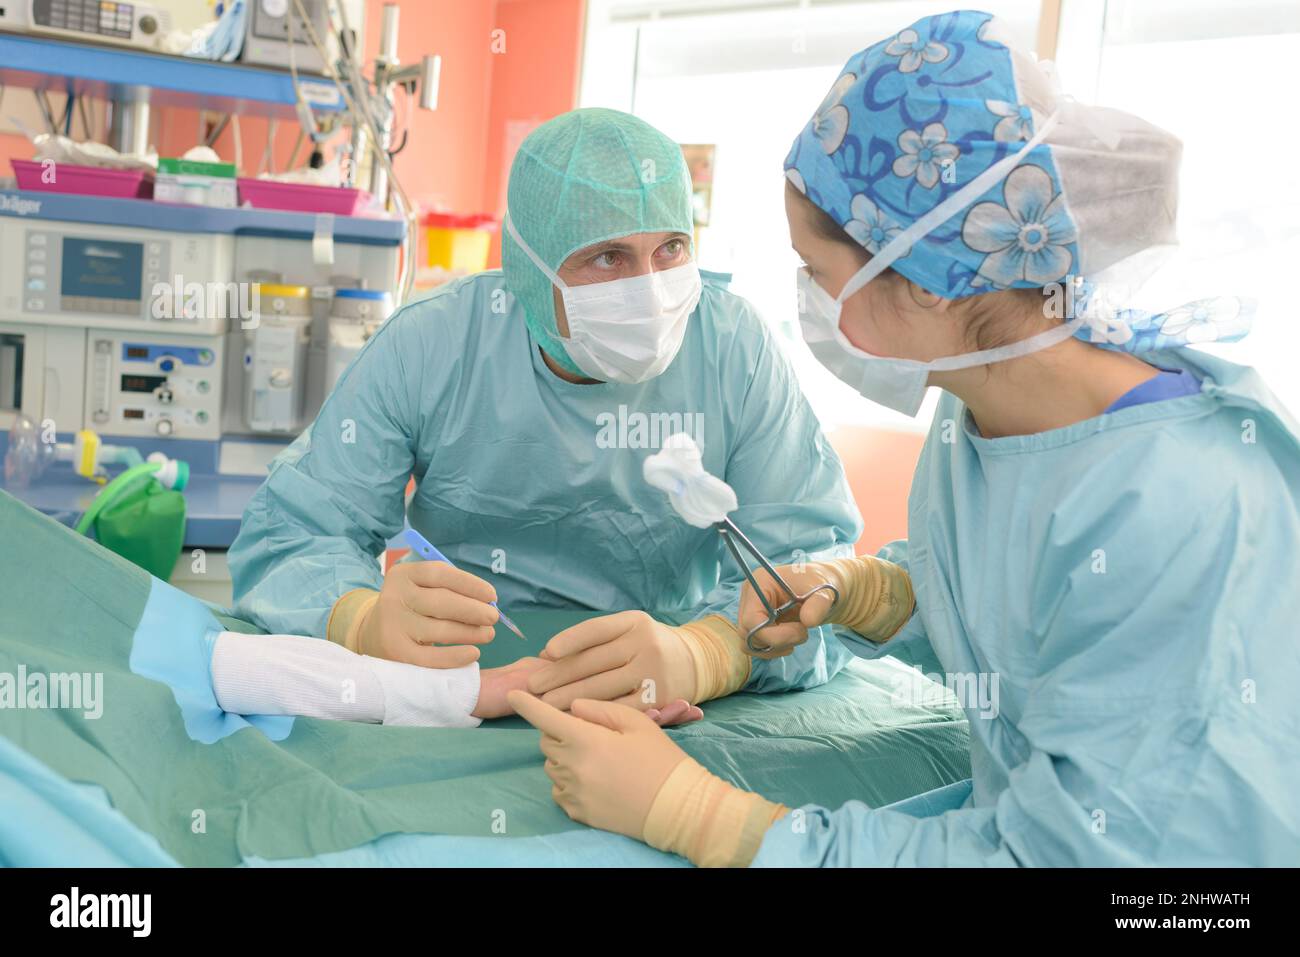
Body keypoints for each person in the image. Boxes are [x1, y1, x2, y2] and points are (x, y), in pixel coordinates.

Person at [510, 10, 1300, 866]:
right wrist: (878, 591)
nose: (806, 302)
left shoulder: (1182, 505)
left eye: (817, 275)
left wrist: (702, 817)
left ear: (921, 277)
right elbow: (1027, 609)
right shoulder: (987, 409)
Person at [229, 108, 863, 723]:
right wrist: (358, 618)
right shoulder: (435, 343)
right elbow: (292, 533)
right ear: (529, 270)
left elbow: (810, 570)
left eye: (671, 248)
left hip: (664, 688)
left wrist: (708, 653)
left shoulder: (733, 349)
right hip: (459, 680)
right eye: (608, 257)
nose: (649, 289)